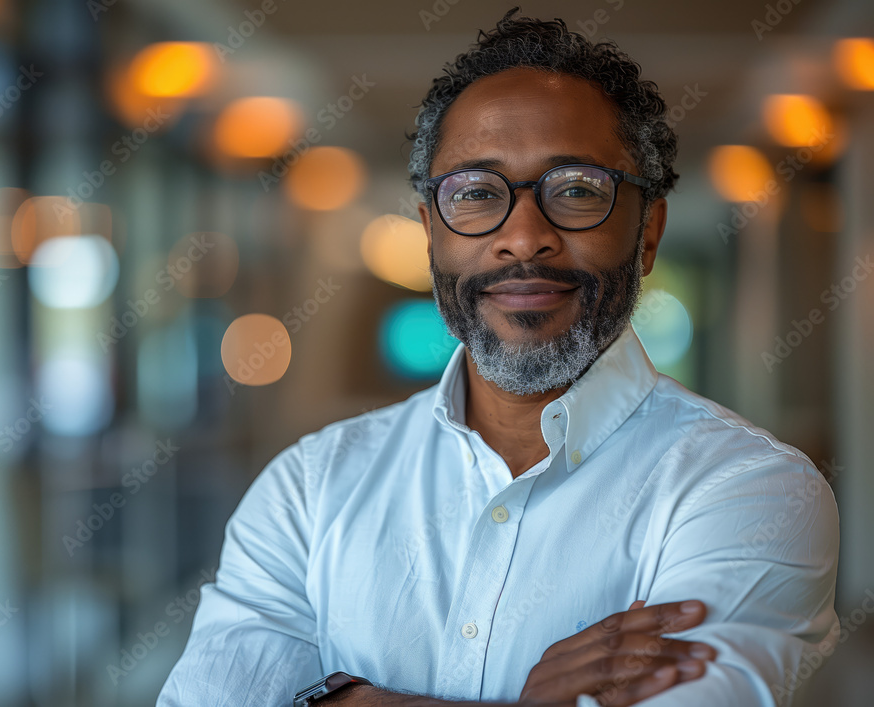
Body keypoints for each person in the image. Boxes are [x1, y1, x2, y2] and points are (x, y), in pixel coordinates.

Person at [158, 9, 839, 706]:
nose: (522, 237)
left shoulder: (749, 490)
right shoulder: (309, 489)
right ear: (431, 234)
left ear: (648, 232)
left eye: (576, 189)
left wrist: (342, 697)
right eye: (477, 193)